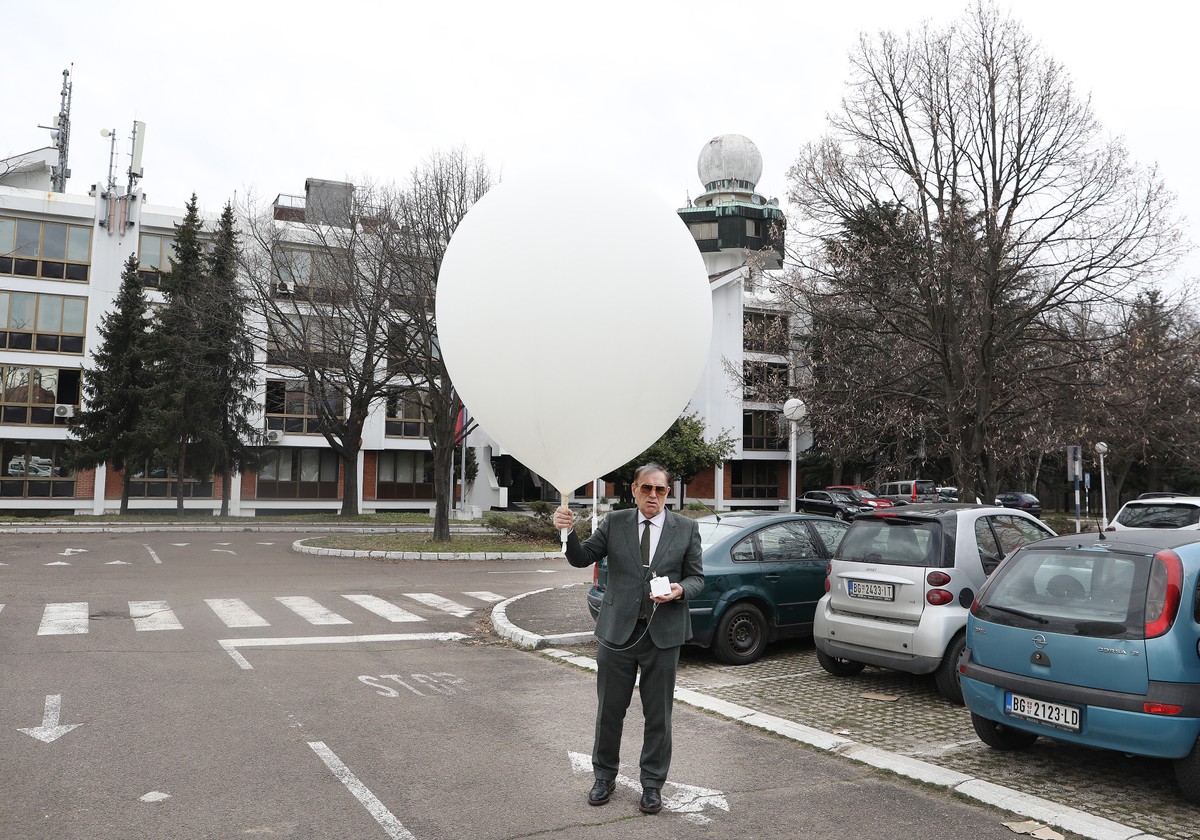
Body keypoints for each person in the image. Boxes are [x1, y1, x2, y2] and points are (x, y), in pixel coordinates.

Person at [552, 463, 704, 815]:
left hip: (663, 634)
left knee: (658, 715)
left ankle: (652, 785)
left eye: (661, 490)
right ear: (634, 489)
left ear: (669, 493)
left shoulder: (686, 528)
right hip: (617, 633)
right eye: (647, 488)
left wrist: (681, 590)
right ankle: (603, 777)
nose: (653, 496)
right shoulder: (615, 522)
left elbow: (698, 578)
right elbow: (581, 558)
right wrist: (567, 532)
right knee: (609, 711)